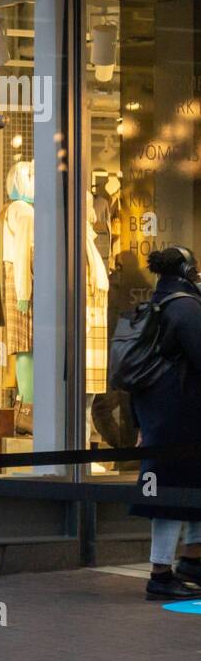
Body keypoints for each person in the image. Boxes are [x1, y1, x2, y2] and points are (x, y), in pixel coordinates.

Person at [131, 247, 201, 600]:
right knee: (171, 494)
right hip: (182, 416)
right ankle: (160, 573)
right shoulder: (186, 308)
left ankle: (192, 559)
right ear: (187, 270)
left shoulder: (153, 306)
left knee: (181, 488)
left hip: (157, 413)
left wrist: (140, 422)